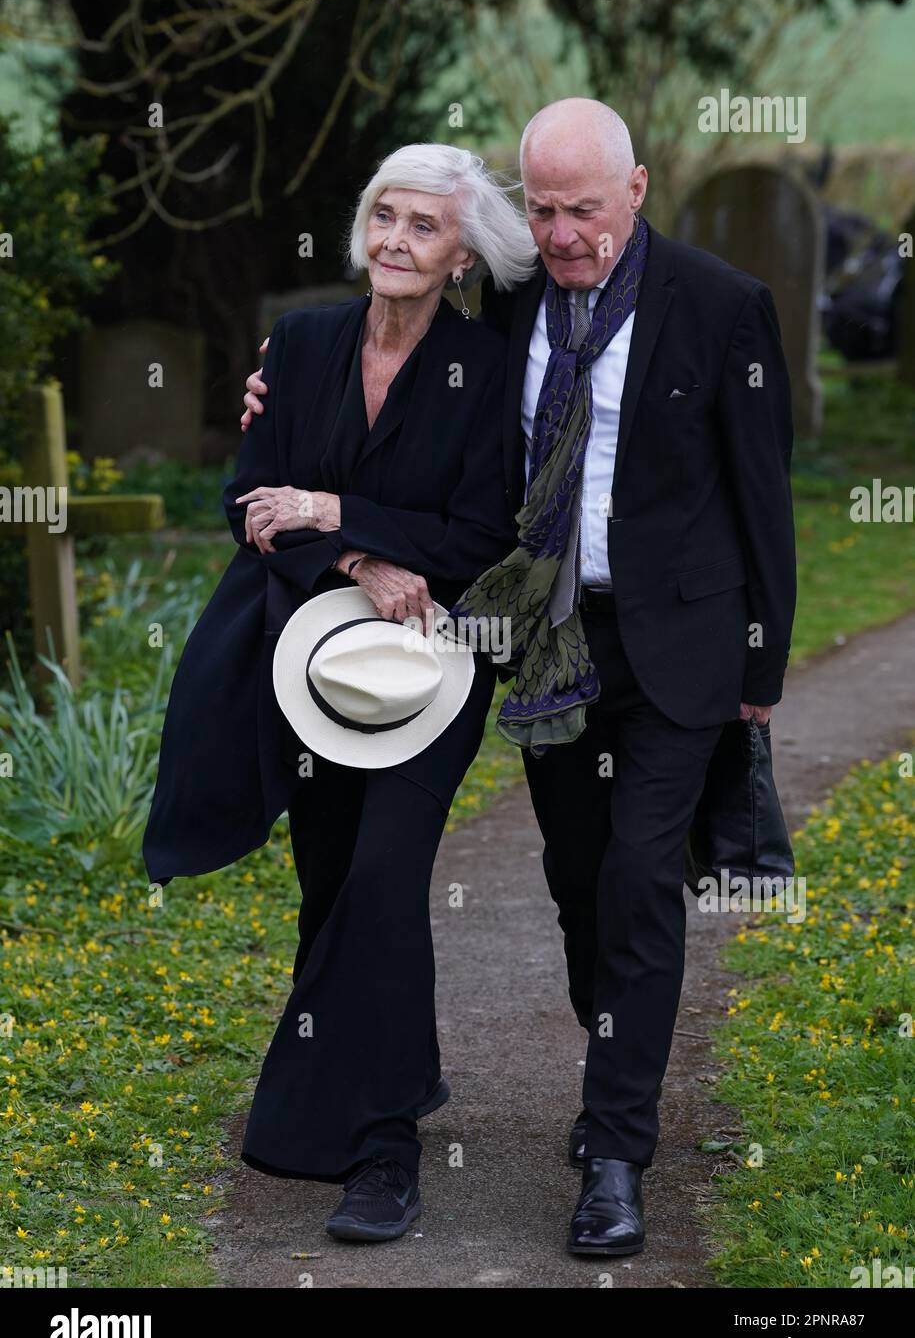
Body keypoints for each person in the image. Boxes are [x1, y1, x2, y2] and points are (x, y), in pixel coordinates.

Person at [242, 100, 797, 1259]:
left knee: (645, 878)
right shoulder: (509, 304)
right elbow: (407, 374)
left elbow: (763, 494)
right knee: (584, 886)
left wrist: (763, 664)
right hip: (548, 648)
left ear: (635, 190)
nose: (563, 234)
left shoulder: (721, 305)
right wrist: (273, 399)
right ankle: (613, 1070)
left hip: (679, 649)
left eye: (583, 210)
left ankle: (613, 1154)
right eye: (541, 212)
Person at [144, 142, 536, 1242]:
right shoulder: (306, 344)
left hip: (432, 664)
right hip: (305, 654)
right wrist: (353, 551)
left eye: (423, 226)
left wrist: (327, 508)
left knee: (380, 874)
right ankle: (337, 1104)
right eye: (384, 218)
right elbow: (246, 504)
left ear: (462, 253)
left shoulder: (482, 369)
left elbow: (475, 536)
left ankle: (382, 1148)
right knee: (329, 876)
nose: (396, 242)